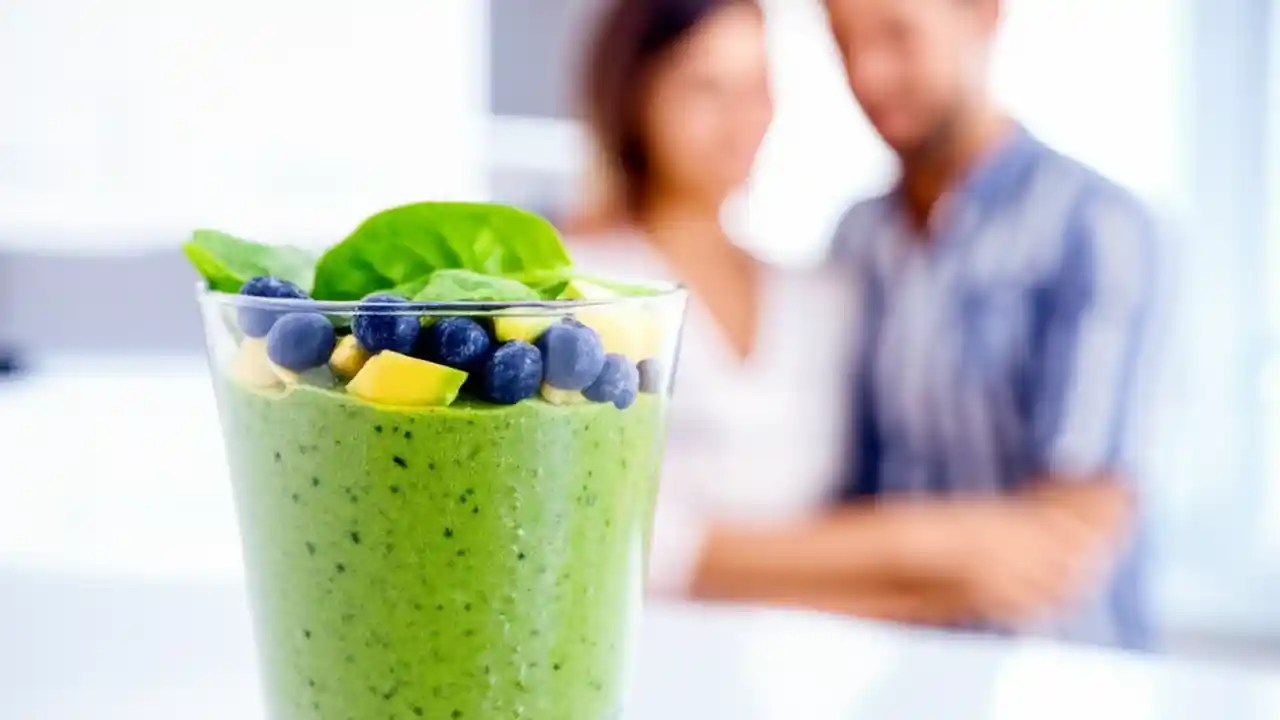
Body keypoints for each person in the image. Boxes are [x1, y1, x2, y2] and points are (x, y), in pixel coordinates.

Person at [573, 0, 1152, 650]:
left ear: (984, 15)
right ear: (635, 95)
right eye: (846, 45)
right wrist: (933, 547)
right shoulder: (859, 243)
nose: (870, 74)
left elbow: (1067, 535)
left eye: (897, 34)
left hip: (1047, 659)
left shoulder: (1094, 227)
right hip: (837, 653)